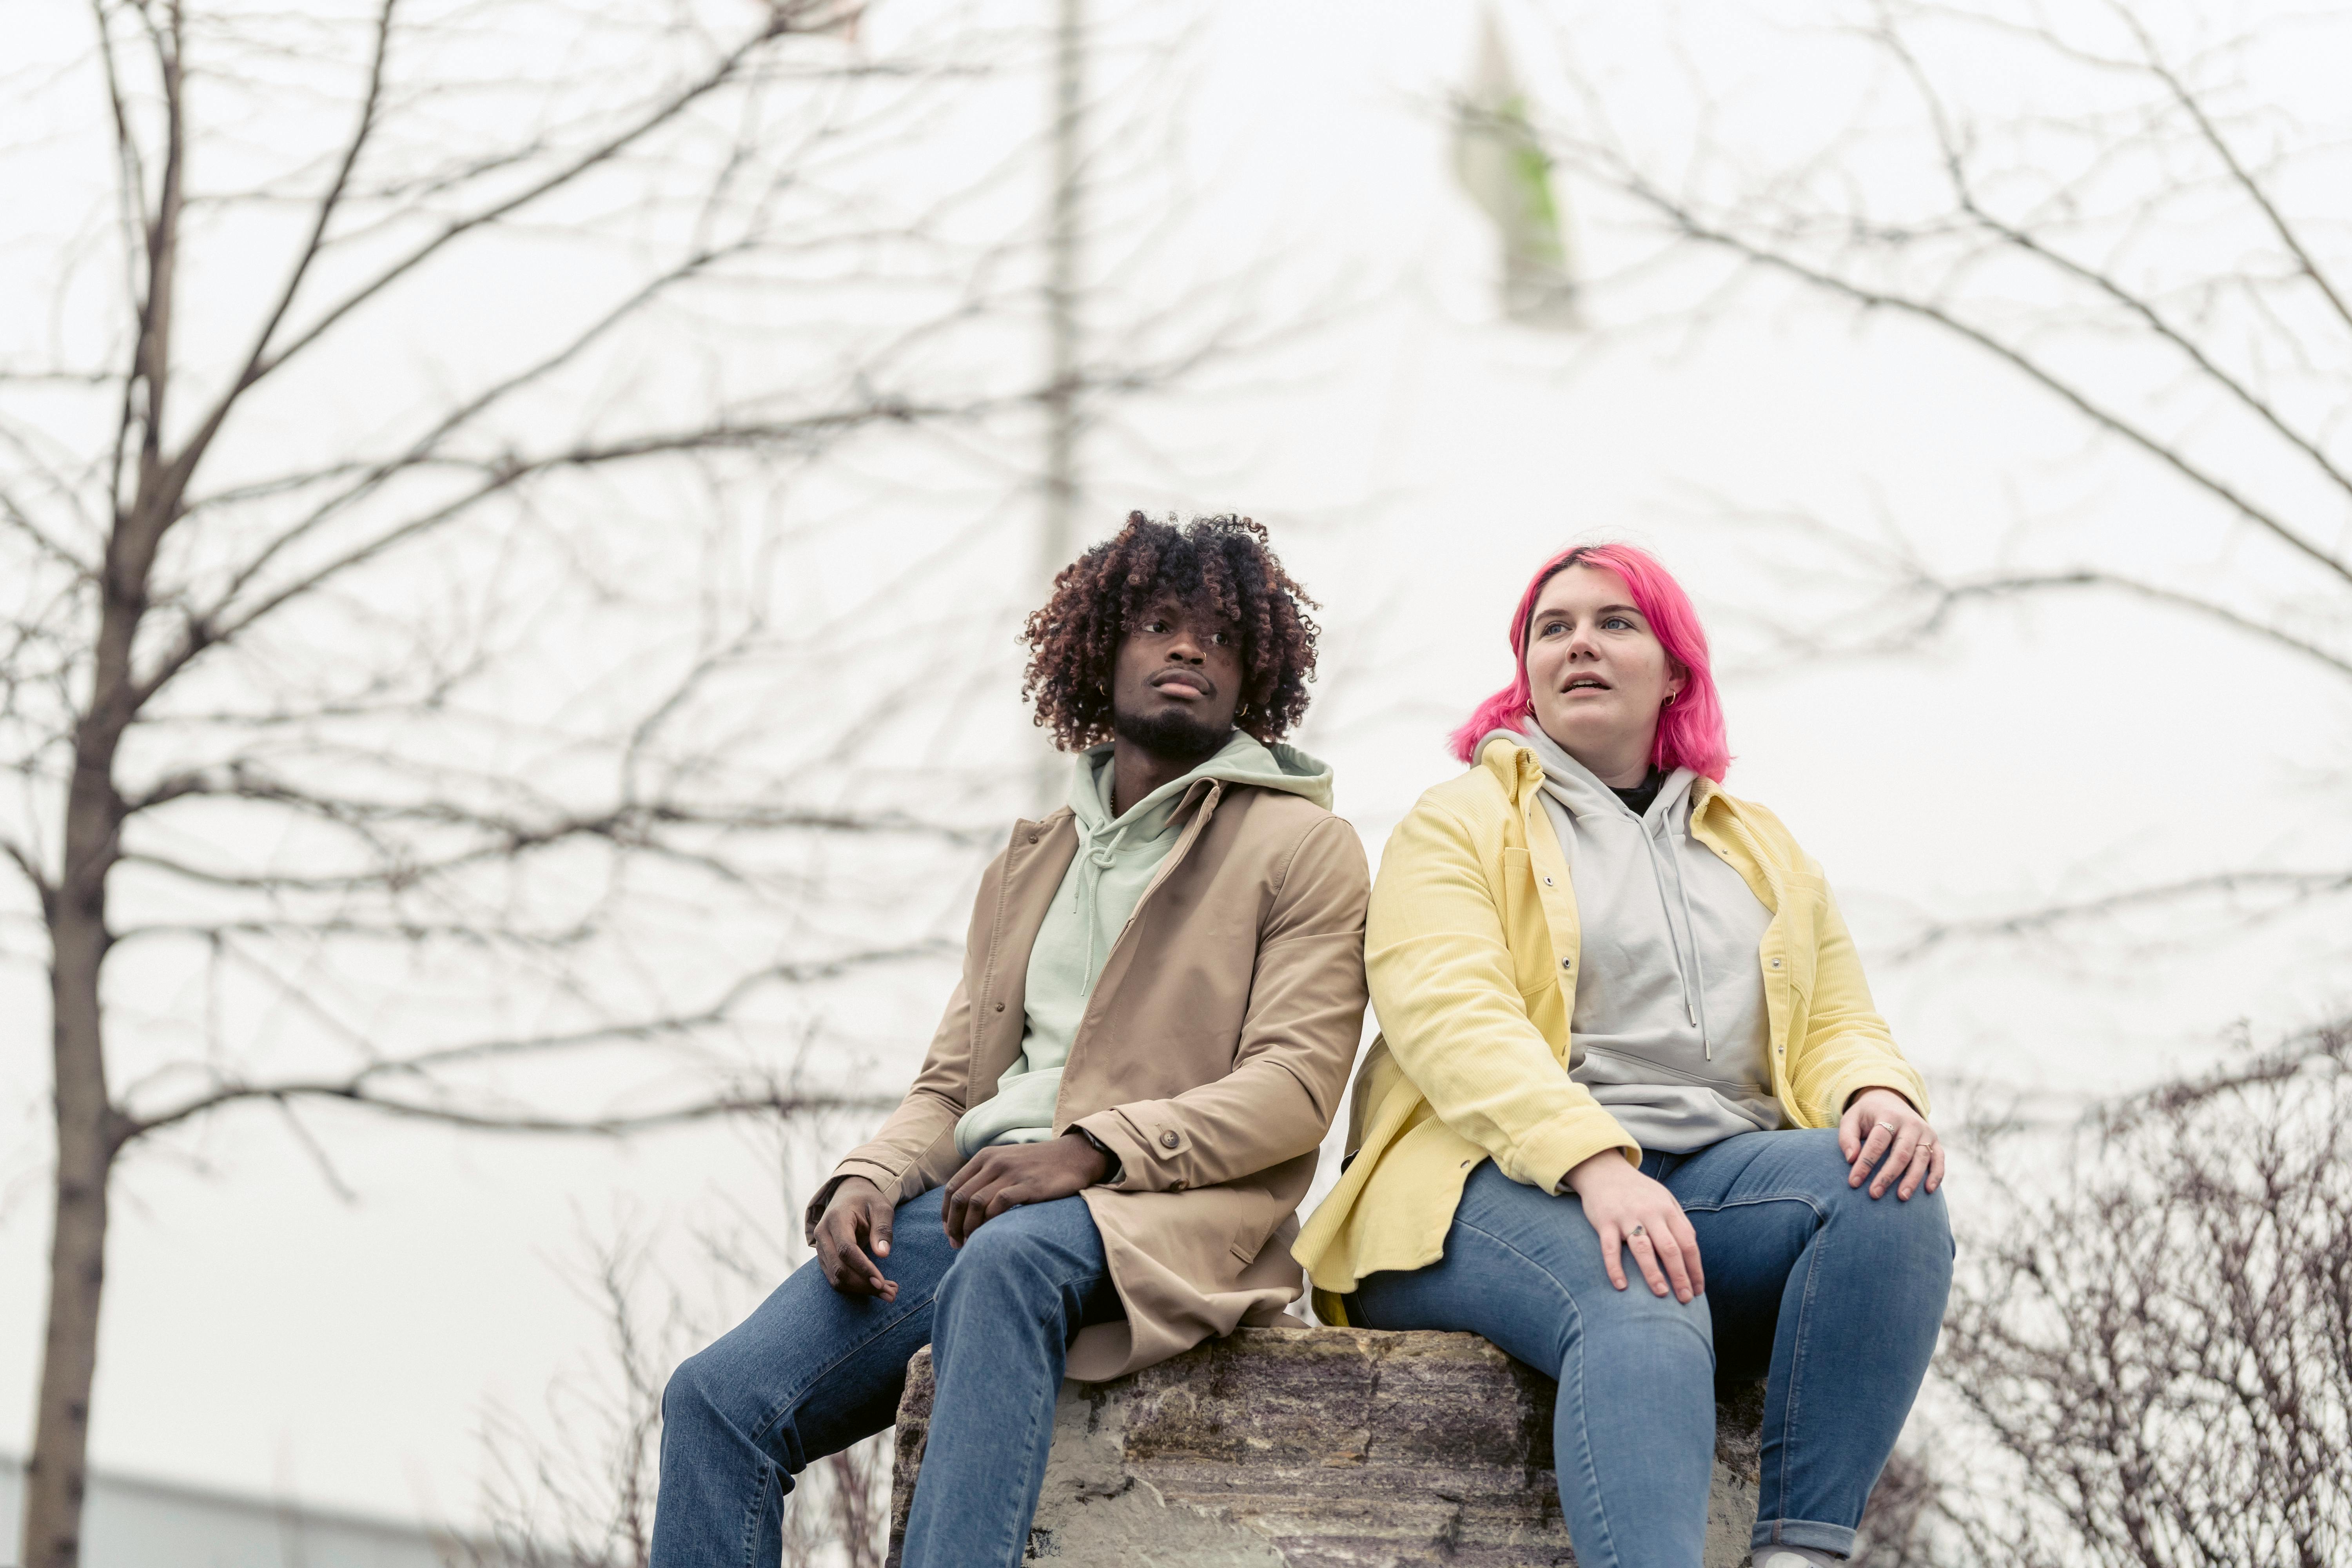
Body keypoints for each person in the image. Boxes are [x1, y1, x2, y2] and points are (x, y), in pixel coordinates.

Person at [652, 513, 1370, 1568]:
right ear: (1099, 651)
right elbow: (952, 1085)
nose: (1187, 649)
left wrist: (1086, 1150)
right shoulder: (1033, 861)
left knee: (1007, 1261)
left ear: (1255, 671)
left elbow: (1293, 1088)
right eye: (1159, 625)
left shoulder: (1306, 847)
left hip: (1162, 1213)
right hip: (988, 1198)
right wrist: (872, 1176)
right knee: (717, 1403)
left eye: (1219, 637)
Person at [1294, 542, 1951, 1568]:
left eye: (1615, 622)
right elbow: (1454, 1017)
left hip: (1705, 1180)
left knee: (1887, 1191)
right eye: (1552, 629)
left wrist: (1875, 1092)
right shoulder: (1459, 823)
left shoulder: (1760, 847)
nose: (1580, 644)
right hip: (1477, 1184)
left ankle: (1798, 1553)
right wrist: (1596, 1166)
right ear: (1528, 673)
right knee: (1638, 1281)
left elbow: (1835, 1017)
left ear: (1675, 670)